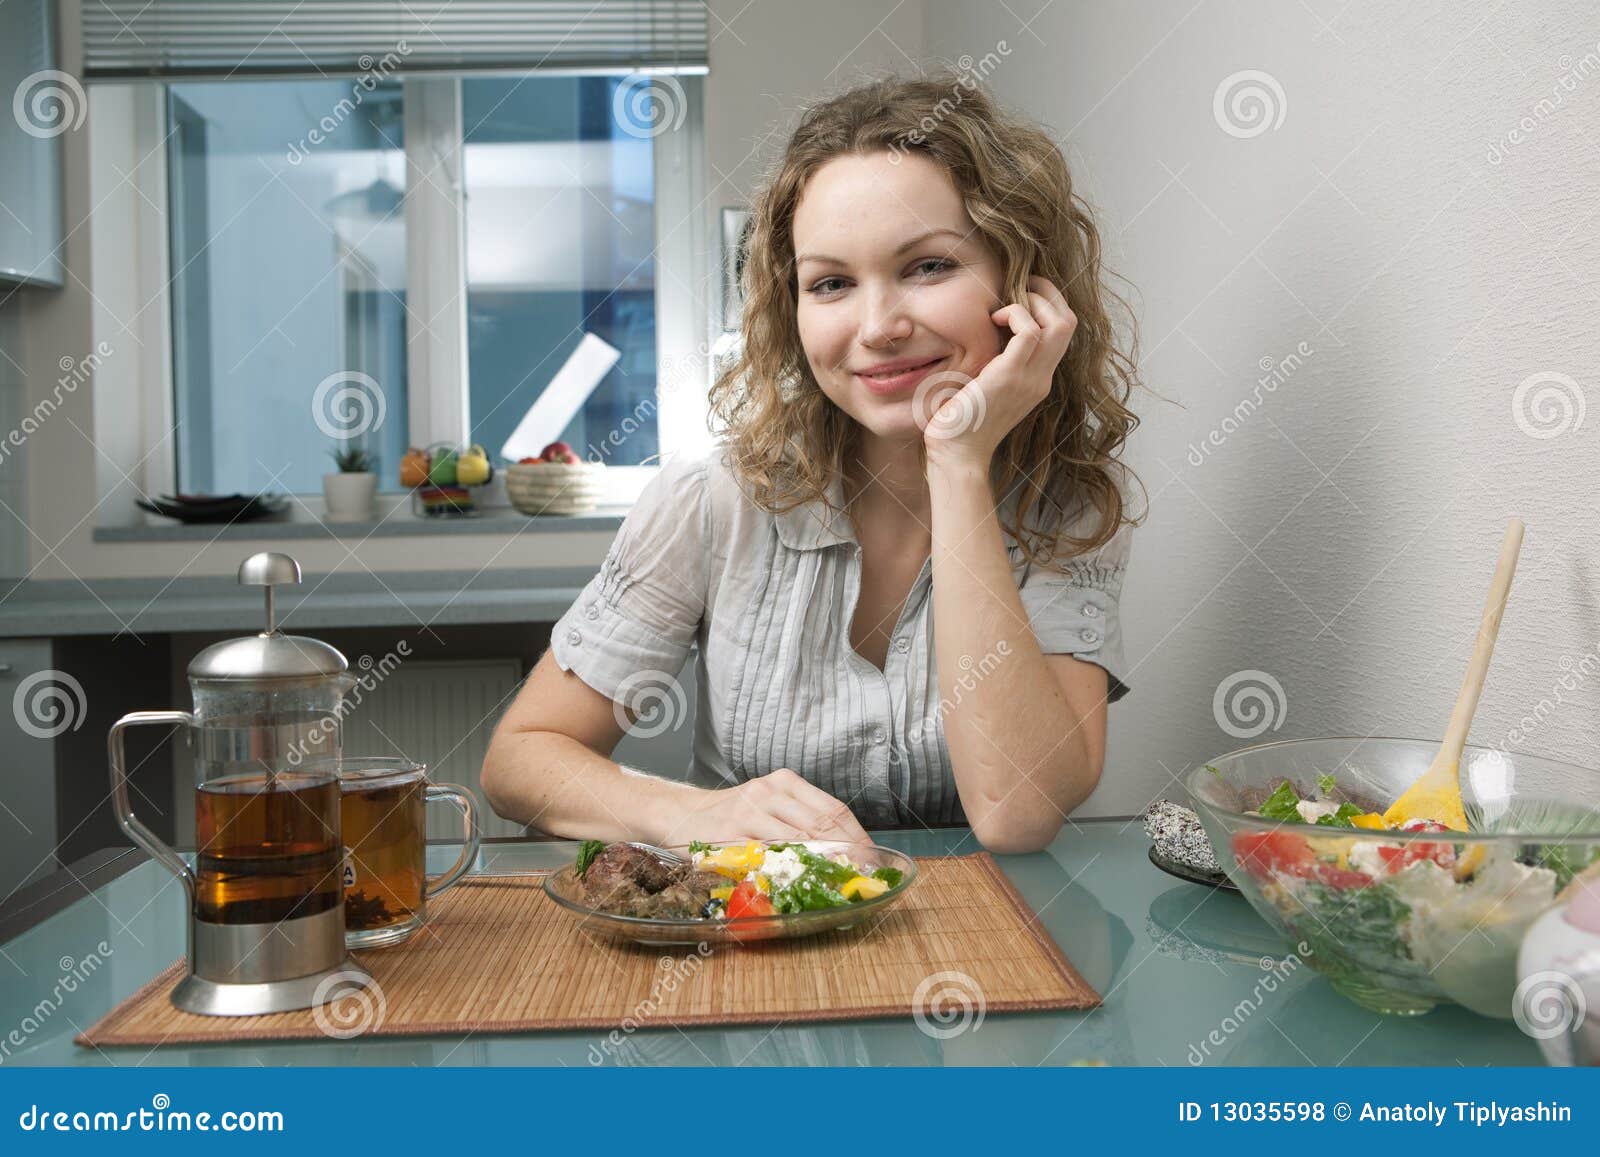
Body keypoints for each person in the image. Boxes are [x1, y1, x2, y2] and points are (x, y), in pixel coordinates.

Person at [481, 74, 1142, 854]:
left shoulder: (1070, 503)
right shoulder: (710, 499)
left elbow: (1017, 812)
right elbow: (519, 760)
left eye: (928, 266)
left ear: (1025, 286)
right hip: (756, 941)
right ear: (790, 312)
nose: (879, 326)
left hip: (992, 948)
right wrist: (690, 815)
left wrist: (959, 463)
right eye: (830, 283)